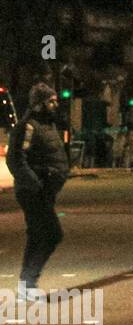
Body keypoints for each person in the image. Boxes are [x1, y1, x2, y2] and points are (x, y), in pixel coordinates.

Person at [6, 82, 70, 298]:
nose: (55, 104)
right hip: (33, 192)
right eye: (50, 101)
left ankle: (27, 284)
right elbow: (16, 159)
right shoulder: (28, 126)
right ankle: (28, 282)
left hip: (45, 191)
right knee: (52, 234)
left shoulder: (48, 125)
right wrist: (35, 183)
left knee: (37, 235)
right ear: (39, 104)